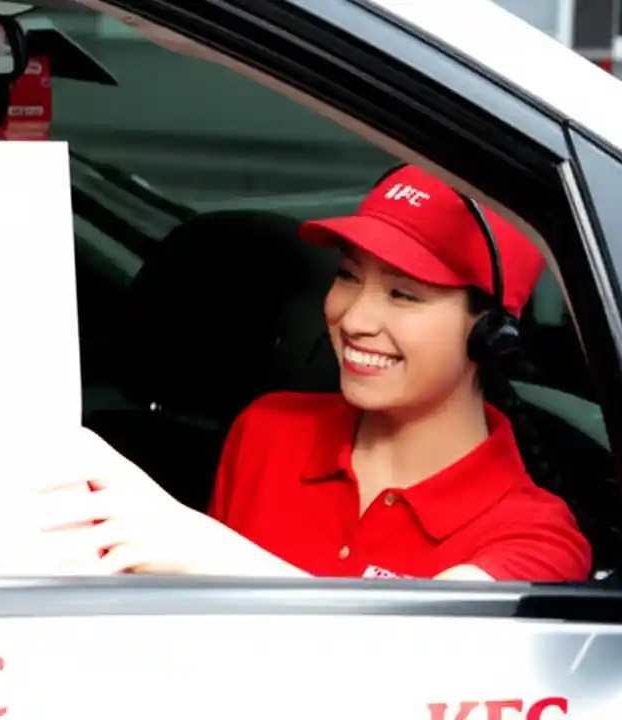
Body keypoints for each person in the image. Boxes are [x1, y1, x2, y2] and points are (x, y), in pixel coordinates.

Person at [34, 165, 592, 582]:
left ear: (491, 333)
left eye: (404, 294)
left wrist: (212, 556)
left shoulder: (533, 537)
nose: (354, 318)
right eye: (348, 277)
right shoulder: (269, 430)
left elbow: (419, 676)